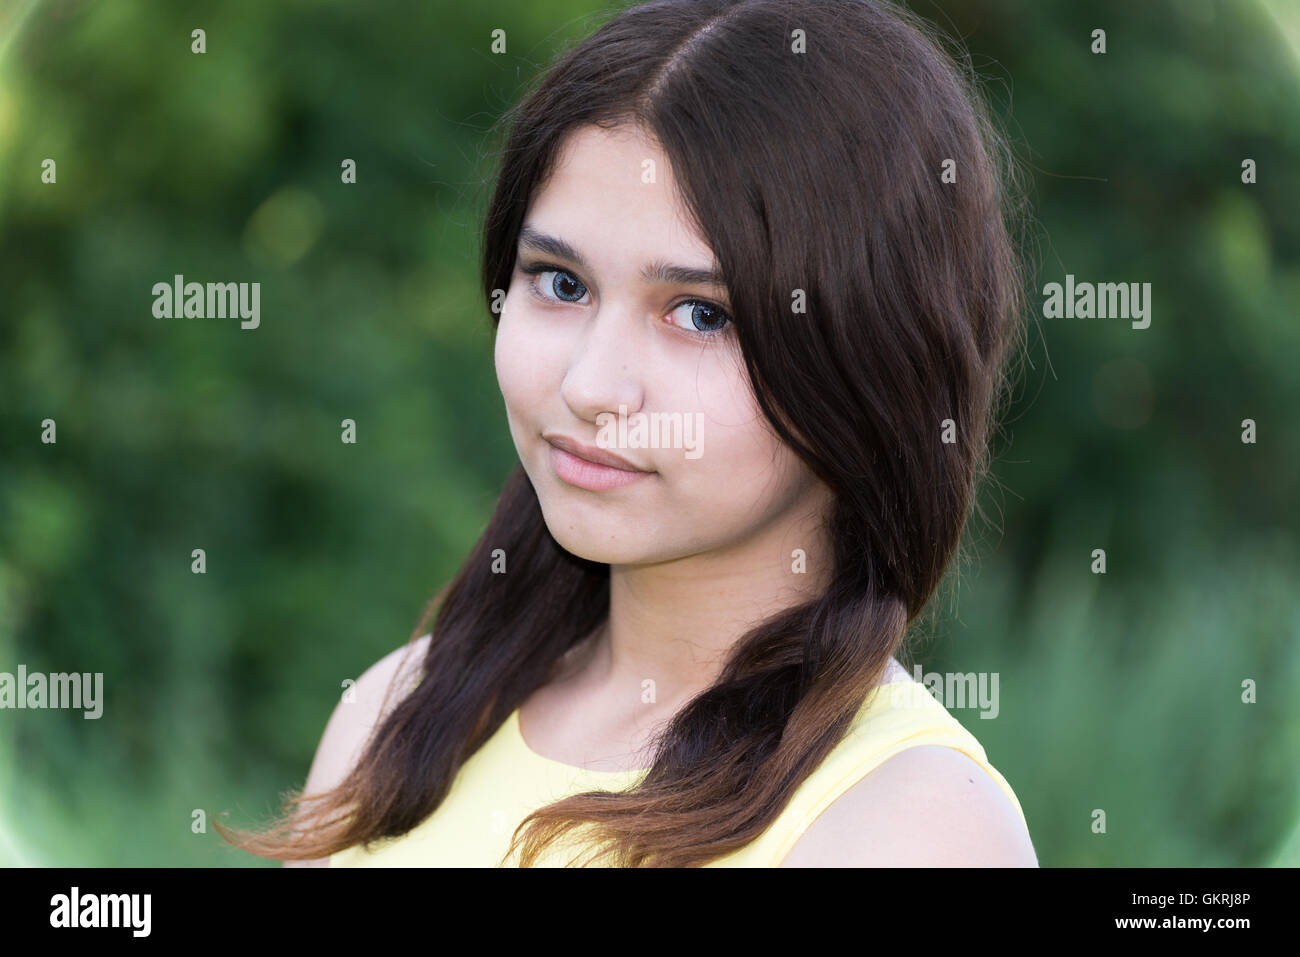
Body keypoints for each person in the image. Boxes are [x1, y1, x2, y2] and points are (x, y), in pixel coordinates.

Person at [221, 0, 1037, 867]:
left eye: (699, 313)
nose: (589, 385)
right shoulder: (399, 711)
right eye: (560, 283)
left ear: (873, 355)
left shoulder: (909, 824)